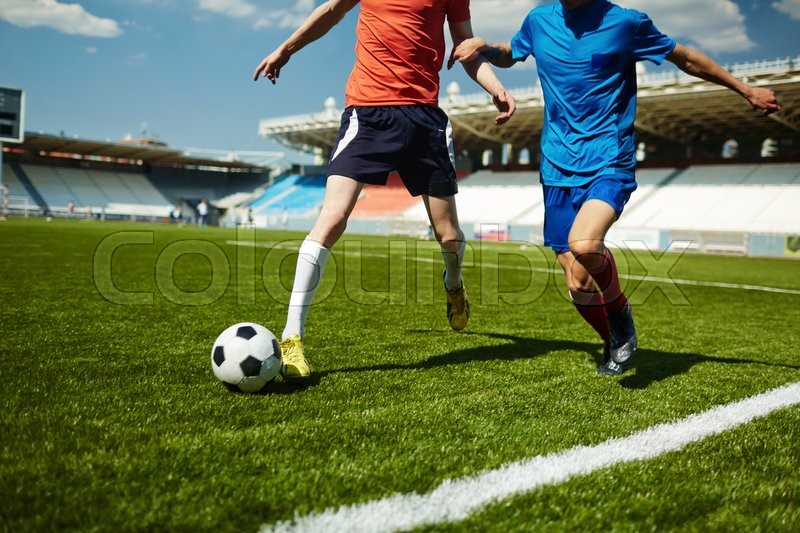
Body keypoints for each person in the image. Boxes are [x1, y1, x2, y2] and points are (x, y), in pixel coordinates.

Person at [449, 0, 781, 375]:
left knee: (585, 243)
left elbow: (685, 58)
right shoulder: (539, 20)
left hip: (609, 157)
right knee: (576, 282)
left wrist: (745, 90)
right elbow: (512, 53)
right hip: (556, 164)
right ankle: (613, 341)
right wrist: (484, 47)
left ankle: (619, 308)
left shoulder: (626, 23)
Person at [253, 0, 516, 381]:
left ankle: (454, 284)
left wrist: (496, 87)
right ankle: (292, 337)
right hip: (368, 112)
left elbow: (465, 45)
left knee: (449, 235)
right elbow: (332, 11)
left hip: (424, 118)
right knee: (331, 219)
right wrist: (285, 49)